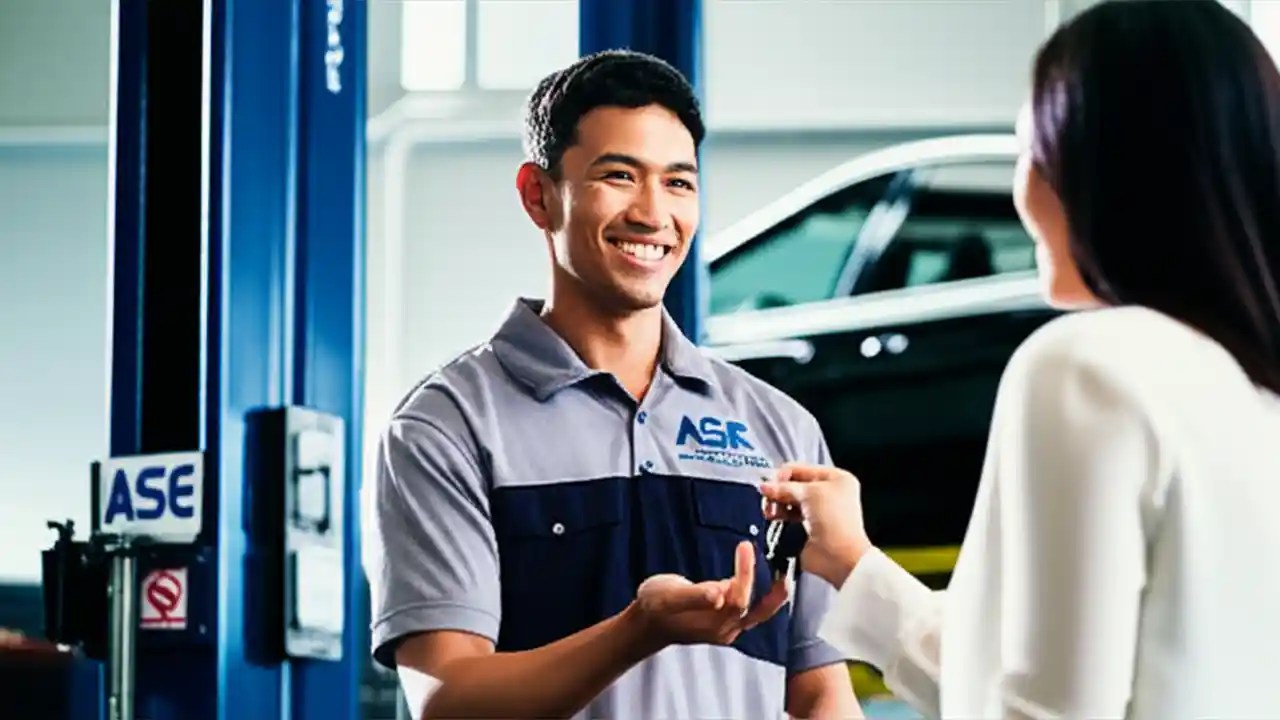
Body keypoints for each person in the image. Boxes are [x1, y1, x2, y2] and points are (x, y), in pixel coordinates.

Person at [758, 1, 1280, 718]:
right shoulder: (1248, 390)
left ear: (1095, 168)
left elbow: (1039, 712)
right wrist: (853, 565)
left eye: (1030, 144)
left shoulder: (1088, 364)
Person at [362, 49, 861, 719]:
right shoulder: (447, 426)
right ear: (539, 195)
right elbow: (450, 701)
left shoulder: (780, 428)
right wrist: (639, 630)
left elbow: (820, 694)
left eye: (679, 183)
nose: (654, 214)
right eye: (619, 176)